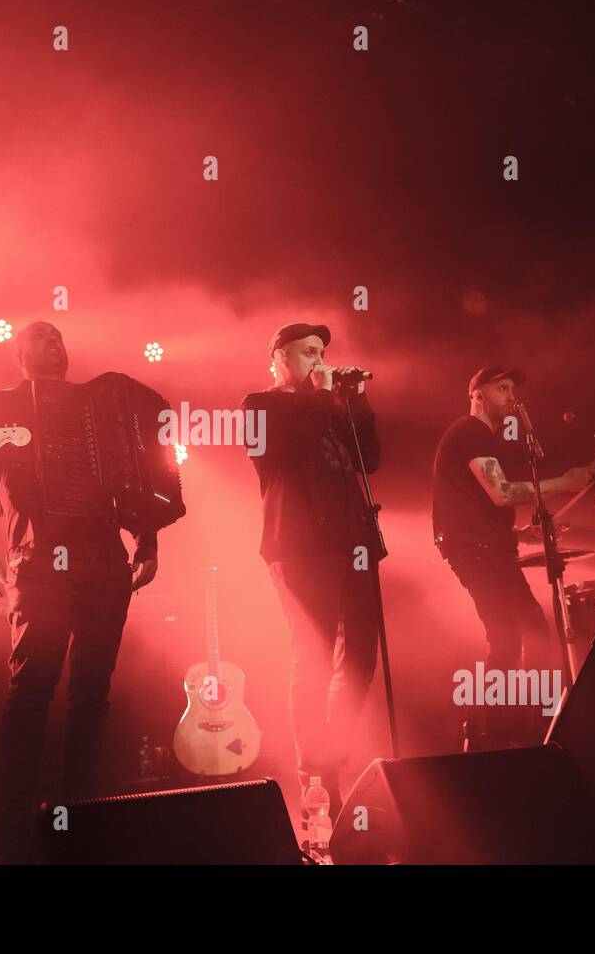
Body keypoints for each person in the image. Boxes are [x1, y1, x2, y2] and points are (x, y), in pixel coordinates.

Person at [0, 321, 162, 863]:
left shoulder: (102, 402)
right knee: (31, 693)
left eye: (59, 336)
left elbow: (139, 469)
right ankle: (13, 835)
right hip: (40, 562)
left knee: (92, 695)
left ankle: (81, 823)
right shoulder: (1, 405)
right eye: (40, 336)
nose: (54, 342)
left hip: (104, 560)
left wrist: (148, 540)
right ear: (17, 354)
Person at [241, 322, 381, 819]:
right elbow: (278, 453)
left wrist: (357, 400)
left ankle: (332, 760)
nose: (318, 362)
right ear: (279, 356)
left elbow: (372, 459)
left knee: (362, 658)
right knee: (315, 658)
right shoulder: (259, 405)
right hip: (298, 550)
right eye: (307, 353)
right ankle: (316, 776)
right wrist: (321, 398)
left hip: (354, 546)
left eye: (321, 353)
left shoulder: (329, 407)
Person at [431, 366, 591, 749]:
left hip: (488, 546)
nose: (510, 396)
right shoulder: (470, 432)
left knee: (517, 633)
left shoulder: (480, 437)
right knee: (514, 634)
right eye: (501, 388)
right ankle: (504, 735)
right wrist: (563, 484)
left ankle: (513, 731)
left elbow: (479, 504)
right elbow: (501, 492)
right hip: (476, 551)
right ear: (477, 394)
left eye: (512, 389)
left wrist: (518, 533)